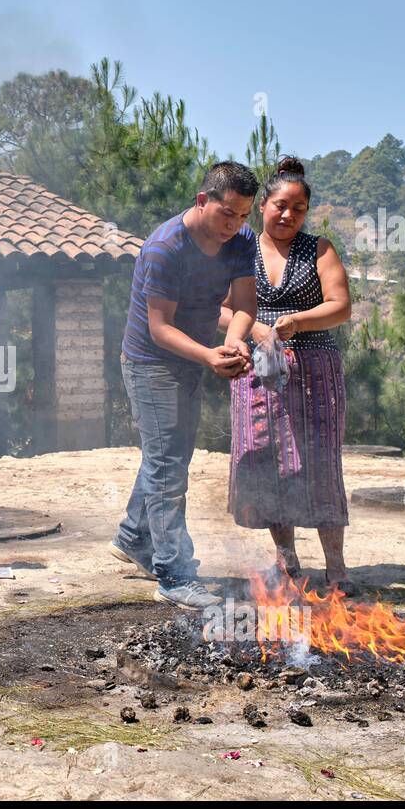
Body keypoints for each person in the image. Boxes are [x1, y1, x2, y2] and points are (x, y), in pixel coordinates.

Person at [109, 162, 259, 609]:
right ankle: (174, 574)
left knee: (167, 454)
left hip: (194, 360)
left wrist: (232, 343)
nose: (234, 225)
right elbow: (159, 328)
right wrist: (210, 355)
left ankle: (133, 536)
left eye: (244, 215)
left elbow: (245, 304)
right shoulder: (164, 248)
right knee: (168, 464)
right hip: (151, 362)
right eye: (227, 213)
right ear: (202, 201)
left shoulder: (242, 241)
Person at [220, 156, 355, 594]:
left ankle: (336, 569)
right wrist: (255, 327)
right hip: (258, 371)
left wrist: (297, 322)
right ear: (263, 205)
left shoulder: (319, 249)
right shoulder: (238, 249)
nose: (288, 215)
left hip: (314, 371)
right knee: (270, 462)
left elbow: (340, 306)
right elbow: (217, 307)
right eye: (280, 205)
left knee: (318, 464)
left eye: (298, 208)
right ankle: (287, 562)